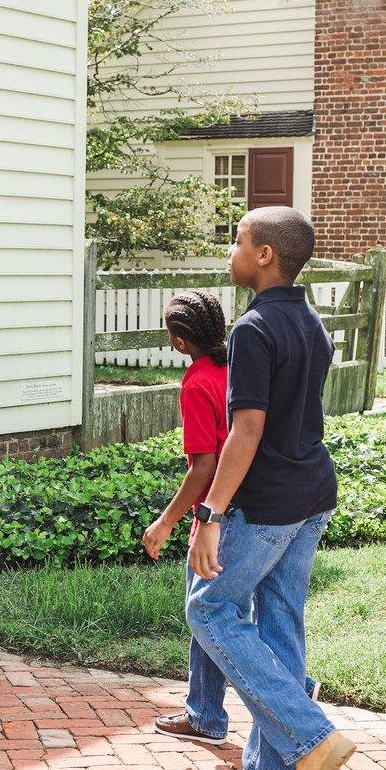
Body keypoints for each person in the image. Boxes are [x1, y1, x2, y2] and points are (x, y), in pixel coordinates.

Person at [185, 207, 358, 770]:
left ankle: (312, 737)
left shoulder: (253, 328)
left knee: (210, 610)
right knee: (280, 623)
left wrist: (209, 514)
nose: (229, 252)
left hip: (267, 504)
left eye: (237, 241)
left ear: (265, 256)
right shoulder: (312, 321)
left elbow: (247, 429)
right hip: (312, 494)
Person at [144, 290, 320, 745]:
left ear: (179, 341)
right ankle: (212, 710)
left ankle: (267, 704)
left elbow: (204, 465)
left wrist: (170, 521)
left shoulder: (197, 383)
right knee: (260, 611)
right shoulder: (237, 367)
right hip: (280, 501)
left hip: (230, 512)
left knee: (209, 608)